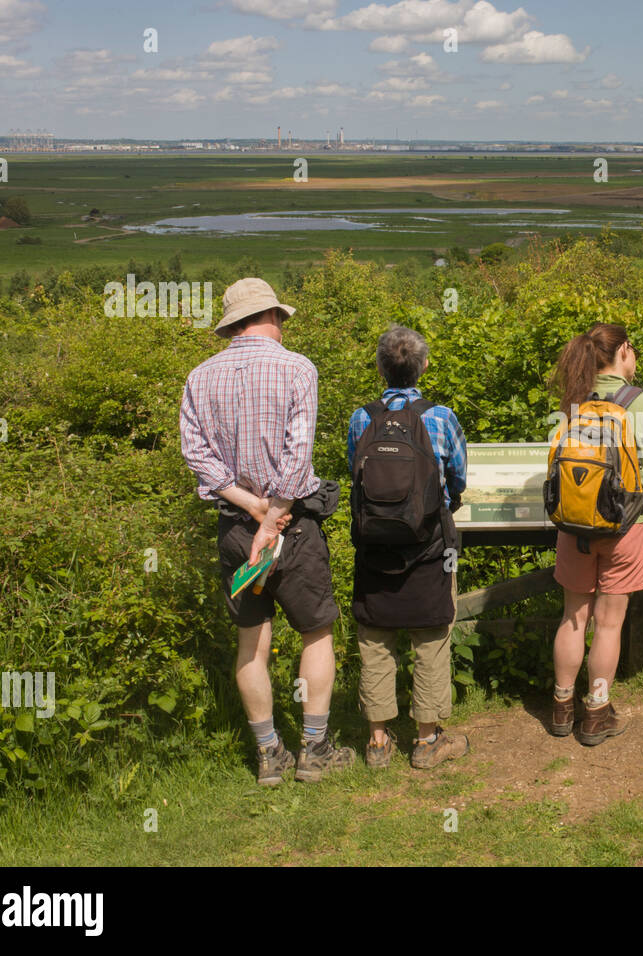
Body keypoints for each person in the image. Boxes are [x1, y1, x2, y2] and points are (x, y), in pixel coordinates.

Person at [180, 277, 354, 785]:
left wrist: (253, 511)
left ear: (232, 325)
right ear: (274, 317)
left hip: (236, 528)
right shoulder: (298, 368)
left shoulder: (199, 377)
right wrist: (274, 515)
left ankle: (268, 755)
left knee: (250, 642)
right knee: (316, 632)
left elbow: (198, 458)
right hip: (293, 528)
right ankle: (315, 749)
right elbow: (298, 465)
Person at [347, 325, 470, 770]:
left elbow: (354, 471)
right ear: (424, 365)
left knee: (375, 638)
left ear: (381, 367)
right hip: (430, 544)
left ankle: (378, 743)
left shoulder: (362, 418)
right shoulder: (440, 417)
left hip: (374, 546)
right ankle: (426, 739)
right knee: (432, 635)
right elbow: (457, 477)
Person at [548, 323, 643, 745]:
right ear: (622, 352)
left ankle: (562, 705)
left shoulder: (572, 401)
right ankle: (596, 711)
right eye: (632, 350)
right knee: (608, 623)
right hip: (626, 525)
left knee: (573, 617)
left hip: (575, 525)